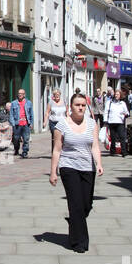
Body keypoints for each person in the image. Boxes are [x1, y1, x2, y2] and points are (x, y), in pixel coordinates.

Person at [49, 92, 103, 253]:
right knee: (76, 204)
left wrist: (99, 163)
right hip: (68, 167)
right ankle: (79, 243)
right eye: (77, 105)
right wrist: (53, 172)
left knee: (86, 204)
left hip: (88, 167)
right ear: (70, 107)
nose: (80, 108)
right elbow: (57, 150)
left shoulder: (92, 124)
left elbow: (94, 146)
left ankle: (74, 221)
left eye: (83, 105)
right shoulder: (62, 125)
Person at [9, 88, 34, 157]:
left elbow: (31, 114)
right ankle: (16, 149)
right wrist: (13, 123)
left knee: (26, 139)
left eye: (21, 94)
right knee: (16, 139)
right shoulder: (13, 103)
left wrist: (31, 123)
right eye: (19, 93)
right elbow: (11, 114)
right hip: (17, 124)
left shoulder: (28, 103)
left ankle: (25, 152)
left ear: (24, 95)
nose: (20, 95)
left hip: (26, 124)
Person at [105, 89, 129, 157]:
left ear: (120, 95)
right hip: (112, 121)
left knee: (122, 137)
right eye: (115, 94)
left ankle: (123, 152)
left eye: (118, 94)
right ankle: (112, 151)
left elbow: (126, 112)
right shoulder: (109, 103)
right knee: (113, 138)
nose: (116, 95)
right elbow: (106, 112)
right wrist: (105, 121)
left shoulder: (122, 103)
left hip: (120, 122)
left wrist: (125, 114)